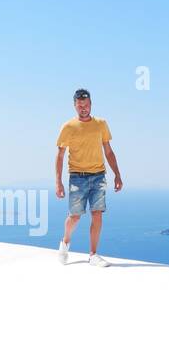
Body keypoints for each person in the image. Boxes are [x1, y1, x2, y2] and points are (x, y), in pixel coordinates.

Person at [55, 88, 123, 266]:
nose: (83, 108)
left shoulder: (101, 124)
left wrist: (117, 174)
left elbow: (108, 151)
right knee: (75, 216)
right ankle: (65, 242)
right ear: (75, 106)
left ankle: (93, 254)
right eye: (80, 106)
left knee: (97, 214)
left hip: (98, 176)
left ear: (91, 104)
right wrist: (58, 183)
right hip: (78, 177)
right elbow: (60, 156)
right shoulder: (68, 127)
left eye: (86, 105)